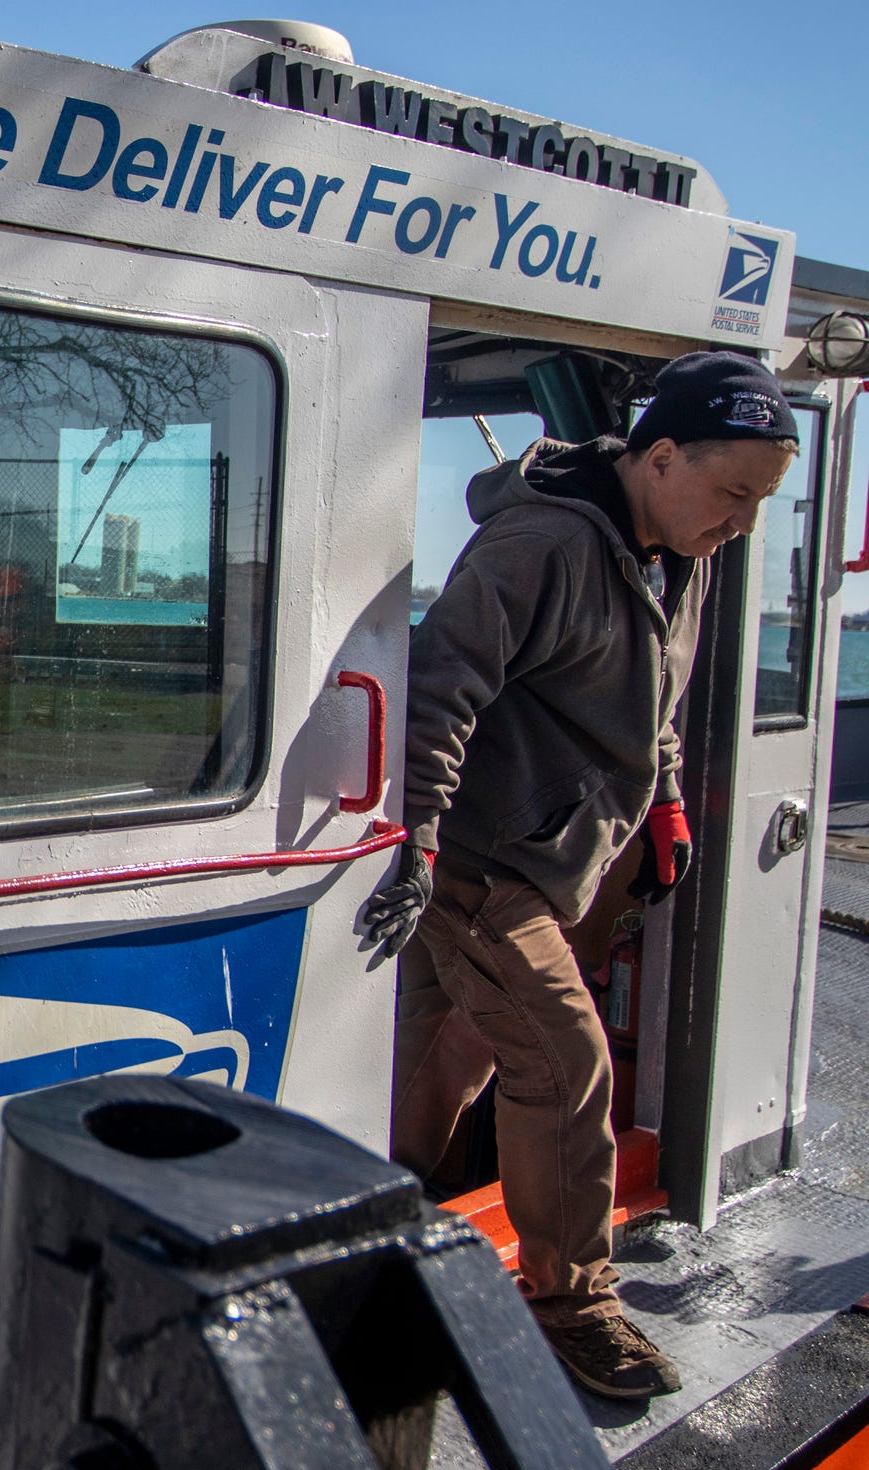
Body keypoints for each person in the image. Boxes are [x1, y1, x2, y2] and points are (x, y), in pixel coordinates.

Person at [363, 350, 799, 1400]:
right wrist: (416, 841)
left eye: (763, 503)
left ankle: (373, 1219)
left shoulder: (677, 554)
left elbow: (659, 703)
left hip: (556, 856)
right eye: (733, 492)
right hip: (479, 859)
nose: (743, 521)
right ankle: (576, 1302)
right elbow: (436, 691)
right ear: (657, 457)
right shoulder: (543, 543)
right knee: (566, 1065)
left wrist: (669, 800)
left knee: (449, 1050)